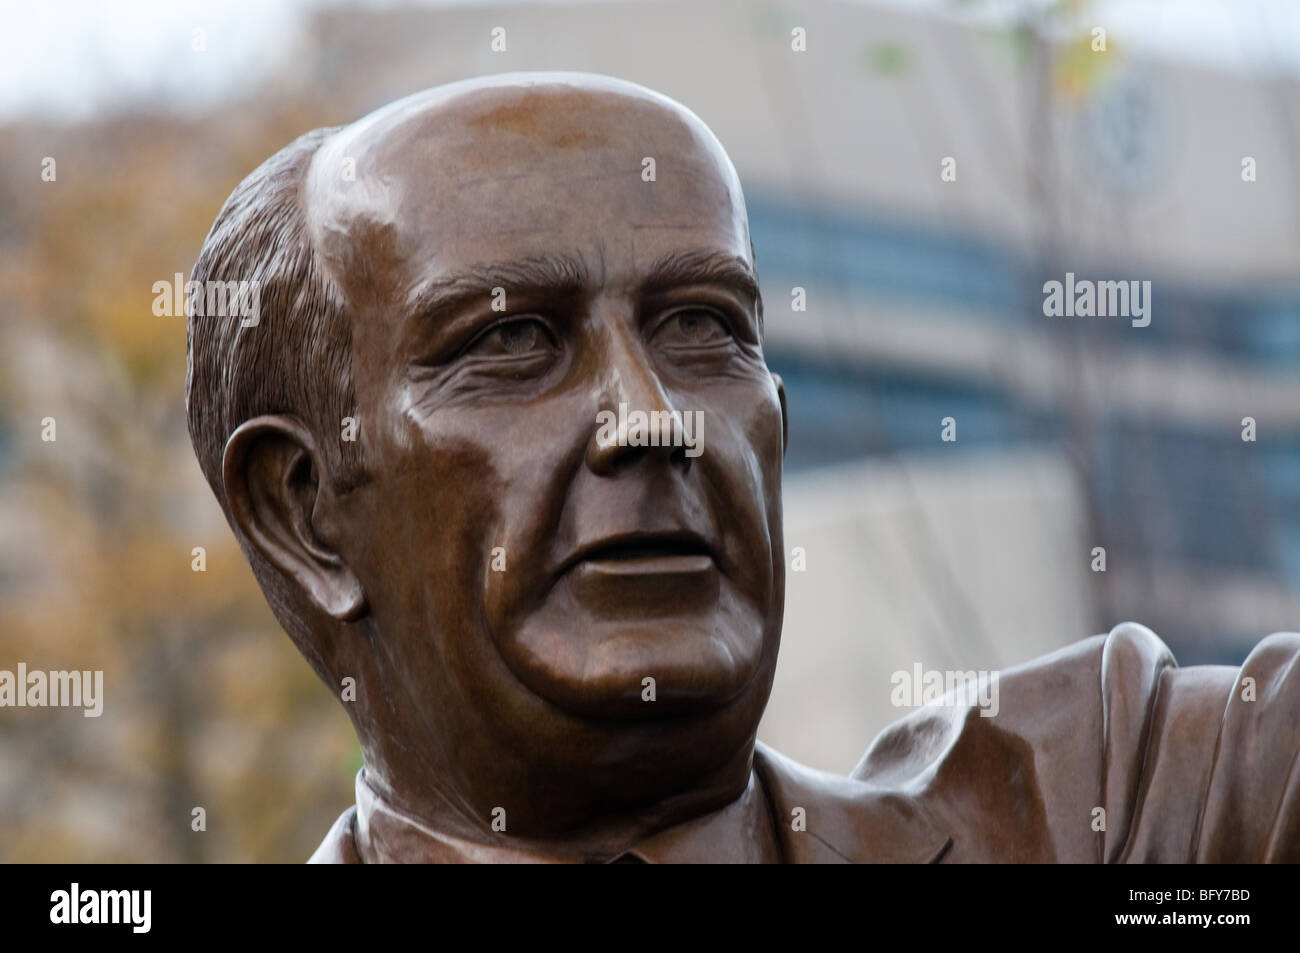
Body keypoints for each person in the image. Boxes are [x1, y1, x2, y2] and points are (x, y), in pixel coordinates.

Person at [185, 72, 1300, 863]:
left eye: (701, 325)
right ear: (303, 511)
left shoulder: (1121, 797)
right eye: (510, 341)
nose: (654, 419)